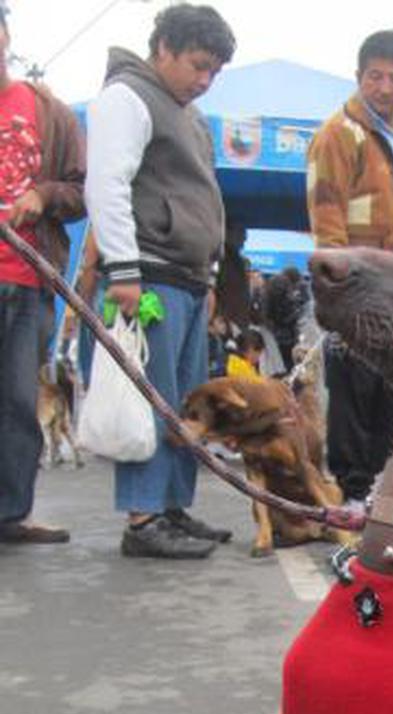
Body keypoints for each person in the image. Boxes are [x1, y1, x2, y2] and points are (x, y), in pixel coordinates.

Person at [85, 3, 236, 560]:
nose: (204, 81)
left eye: (214, 72)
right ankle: (144, 517)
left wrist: (211, 273)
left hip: (188, 278)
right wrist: (123, 270)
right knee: (151, 397)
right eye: (198, 65)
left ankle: (171, 505)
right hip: (147, 277)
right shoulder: (127, 97)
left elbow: (206, 201)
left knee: (183, 401)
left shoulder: (188, 115)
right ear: (163, 49)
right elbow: (107, 183)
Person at [307, 29, 393, 508]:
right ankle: (349, 490)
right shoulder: (337, 134)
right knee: (351, 388)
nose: (385, 87)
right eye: (375, 77)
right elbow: (325, 212)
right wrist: (334, 287)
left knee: (392, 386)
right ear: (359, 77)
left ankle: (376, 487)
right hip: (354, 280)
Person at [0, 5, 85, 546]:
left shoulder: (48, 110)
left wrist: (43, 194)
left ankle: (12, 514)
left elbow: (79, 194)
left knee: (17, 403)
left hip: (27, 279)